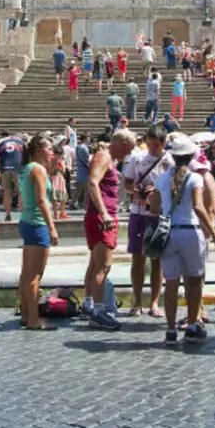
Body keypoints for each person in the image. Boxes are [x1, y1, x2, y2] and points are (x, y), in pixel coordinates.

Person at [148, 134, 215, 346]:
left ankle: (171, 330)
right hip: (190, 231)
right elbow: (199, 208)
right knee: (194, 281)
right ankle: (192, 325)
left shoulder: (162, 179)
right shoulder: (194, 178)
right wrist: (214, 232)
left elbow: (154, 209)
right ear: (191, 155)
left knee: (171, 282)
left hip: (169, 232)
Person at [84, 130, 135, 331]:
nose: (128, 155)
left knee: (95, 263)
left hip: (99, 215)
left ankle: (89, 303)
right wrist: (104, 213)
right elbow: (92, 182)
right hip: (101, 216)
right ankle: (98, 312)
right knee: (103, 266)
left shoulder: (108, 158)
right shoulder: (104, 157)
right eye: (128, 149)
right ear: (122, 144)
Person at [123, 125, 170, 318]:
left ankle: (154, 302)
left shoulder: (169, 161)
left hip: (157, 215)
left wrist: (156, 193)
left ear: (164, 143)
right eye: (149, 145)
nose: (152, 149)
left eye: (156, 145)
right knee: (137, 258)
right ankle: (136, 301)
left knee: (157, 259)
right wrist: (136, 191)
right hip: (138, 212)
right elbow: (126, 182)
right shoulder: (137, 159)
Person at [17, 134, 60, 331]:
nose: (52, 152)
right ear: (38, 150)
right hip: (37, 223)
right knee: (35, 275)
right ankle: (34, 319)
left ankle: (26, 314)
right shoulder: (39, 170)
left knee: (26, 273)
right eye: (49, 148)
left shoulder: (27, 168)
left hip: (26, 221)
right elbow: (42, 200)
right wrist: (52, 227)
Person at [0, 131, 25, 222]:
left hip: (5, 168)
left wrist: (0, 168)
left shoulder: (2, 142)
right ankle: (23, 214)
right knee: (21, 192)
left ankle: (7, 214)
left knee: (6, 192)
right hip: (17, 168)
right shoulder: (21, 143)